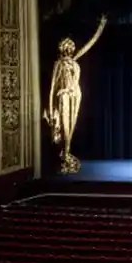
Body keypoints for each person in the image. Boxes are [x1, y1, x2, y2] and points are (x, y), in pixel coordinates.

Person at [45, 14, 108, 174]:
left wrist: (100, 28)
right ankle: (65, 154)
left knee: (71, 127)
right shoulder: (59, 64)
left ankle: (66, 152)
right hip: (64, 96)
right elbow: (53, 86)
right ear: (64, 49)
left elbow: (89, 45)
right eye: (68, 48)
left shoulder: (74, 63)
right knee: (65, 127)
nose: (70, 50)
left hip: (75, 94)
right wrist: (51, 109)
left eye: (71, 48)